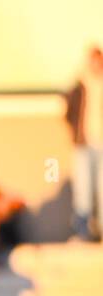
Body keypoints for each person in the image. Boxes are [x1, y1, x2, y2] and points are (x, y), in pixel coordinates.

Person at [65, 46, 103, 240]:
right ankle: (83, 230)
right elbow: (68, 108)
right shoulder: (81, 85)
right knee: (84, 188)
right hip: (84, 143)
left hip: (101, 143)